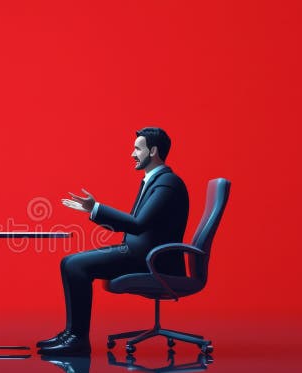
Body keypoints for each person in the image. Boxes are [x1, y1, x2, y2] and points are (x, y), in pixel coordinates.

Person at [38, 127, 189, 355]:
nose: (132, 154)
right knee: (70, 262)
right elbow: (135, 224)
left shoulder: (167, 183)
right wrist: (94, 212)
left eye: (138, 148)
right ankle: (71, 334)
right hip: (140, 252)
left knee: (74, 265)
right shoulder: (155, 180)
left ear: (154, 151)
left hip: (152, 260)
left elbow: (138, 224)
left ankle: (77, 340)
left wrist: (96, 208)